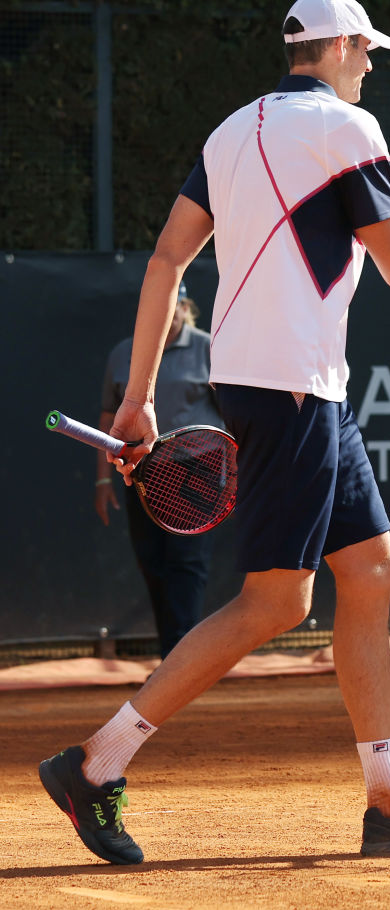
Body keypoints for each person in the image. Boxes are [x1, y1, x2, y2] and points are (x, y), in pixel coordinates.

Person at [39, 0, 390, 865]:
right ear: (342, 46)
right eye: (369, 50)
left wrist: (140, 395)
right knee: (279, 599)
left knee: (372, 568)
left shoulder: (230, 131)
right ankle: (95, 764)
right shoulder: (350, 130)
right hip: (292, 388)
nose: (373, 64)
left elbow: (166, 259)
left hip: (282, 384)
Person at [95, 281, 227, 658]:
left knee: (186, 565)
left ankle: (177, 662)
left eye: (177, 304)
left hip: (198, 471)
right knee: (153, 564)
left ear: (186, 307)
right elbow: (108, 416)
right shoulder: (123, 354)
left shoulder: (208, 347)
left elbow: (233, 411)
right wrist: (103, 478)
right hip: (142, 472)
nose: (169, 313)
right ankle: (175, 657)